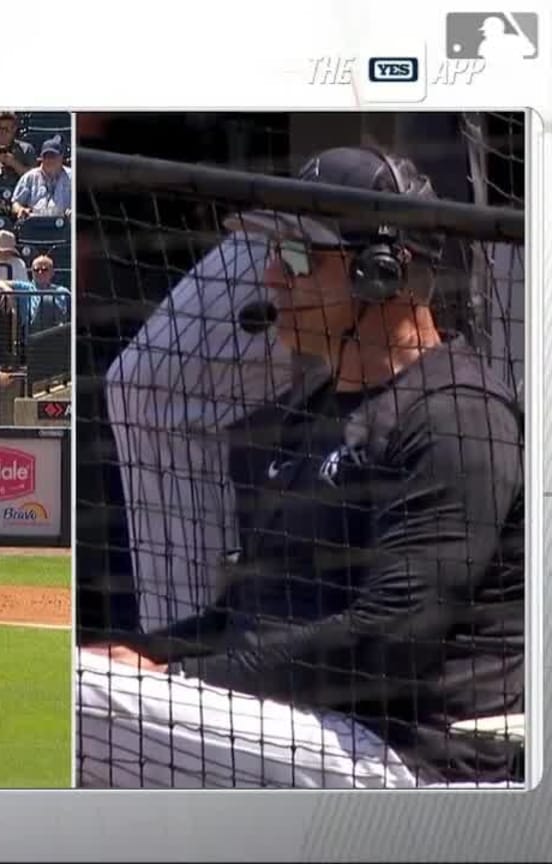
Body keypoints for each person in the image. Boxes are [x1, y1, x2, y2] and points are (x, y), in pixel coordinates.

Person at [78, 146, 525, 789]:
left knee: (74, 701)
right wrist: (153, 653)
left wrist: (180, 681)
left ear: (378, 273)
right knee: (86, 674)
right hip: (307, 725)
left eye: (296, 258)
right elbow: (242, 616)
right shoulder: (306, 411)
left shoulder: (458, 417)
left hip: (406, 755)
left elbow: (389, 641)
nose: (271, 278)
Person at [11, 137, 73, 221]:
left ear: (61, 157)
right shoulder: (30, 176)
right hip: (35, 223)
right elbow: (15, 203)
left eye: (53, 156)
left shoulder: (72, 176)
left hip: (63, 224)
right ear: (41, 158)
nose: (49, 160)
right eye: (46, 156)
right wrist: (20, 209)